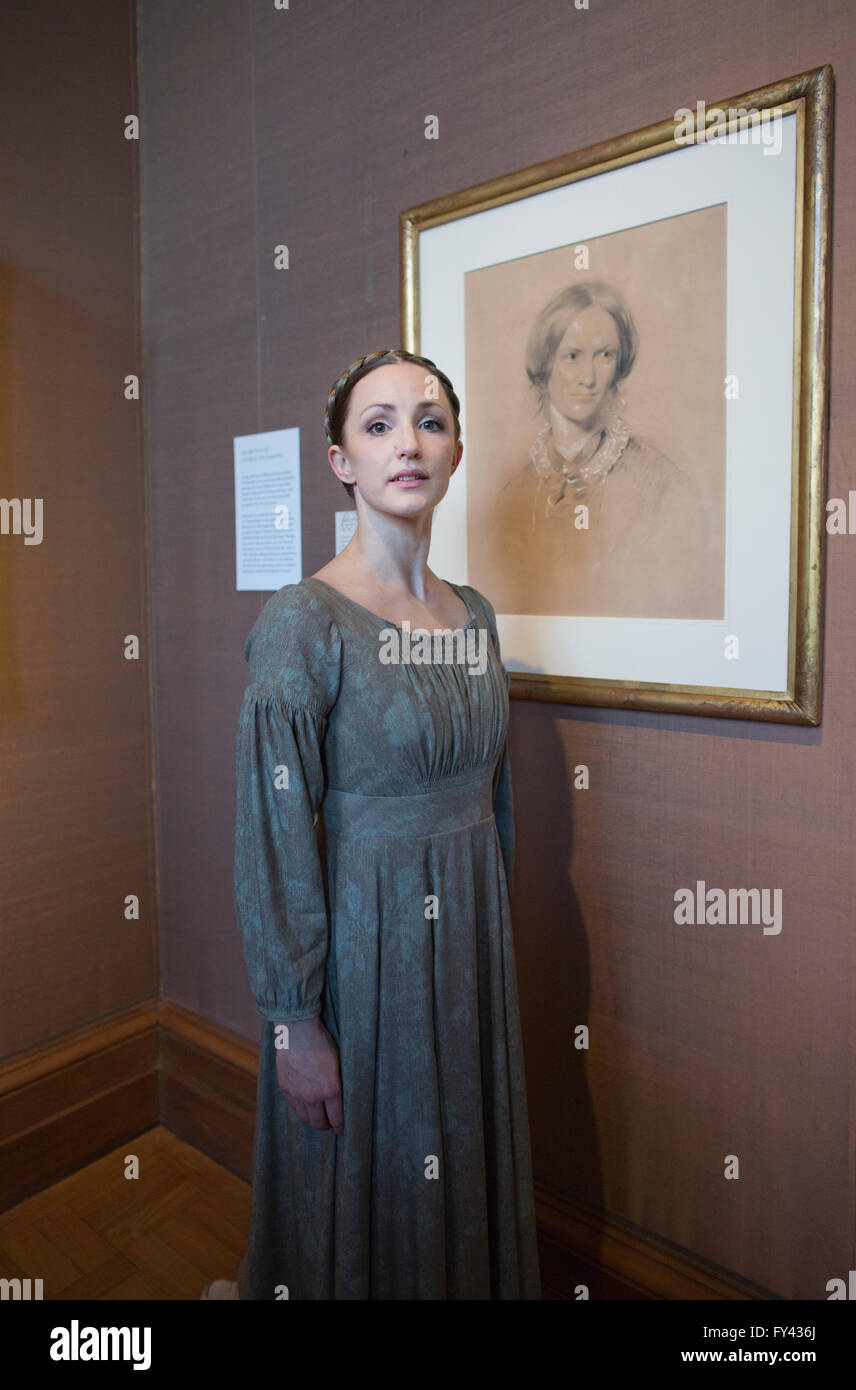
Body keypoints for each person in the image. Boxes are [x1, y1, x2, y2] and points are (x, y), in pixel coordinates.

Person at [227, 348, 542, 1300]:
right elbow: (271, 832)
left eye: (430, 420)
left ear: (455, 451)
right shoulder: (304, 621)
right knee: (367, 1171)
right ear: (342, 462)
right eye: (378, 425)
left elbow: (495, 804)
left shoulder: (476, 615)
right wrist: (294, 1023)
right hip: (363, 970)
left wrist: (488, 946)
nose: (409, 442)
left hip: (469, 956)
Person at [486, 280, 719, 618]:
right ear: (545, 364)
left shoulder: (665, 489)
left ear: (619, 364)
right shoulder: (510, 496)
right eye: (571, 356)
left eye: (605, 355)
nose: (589, 377)